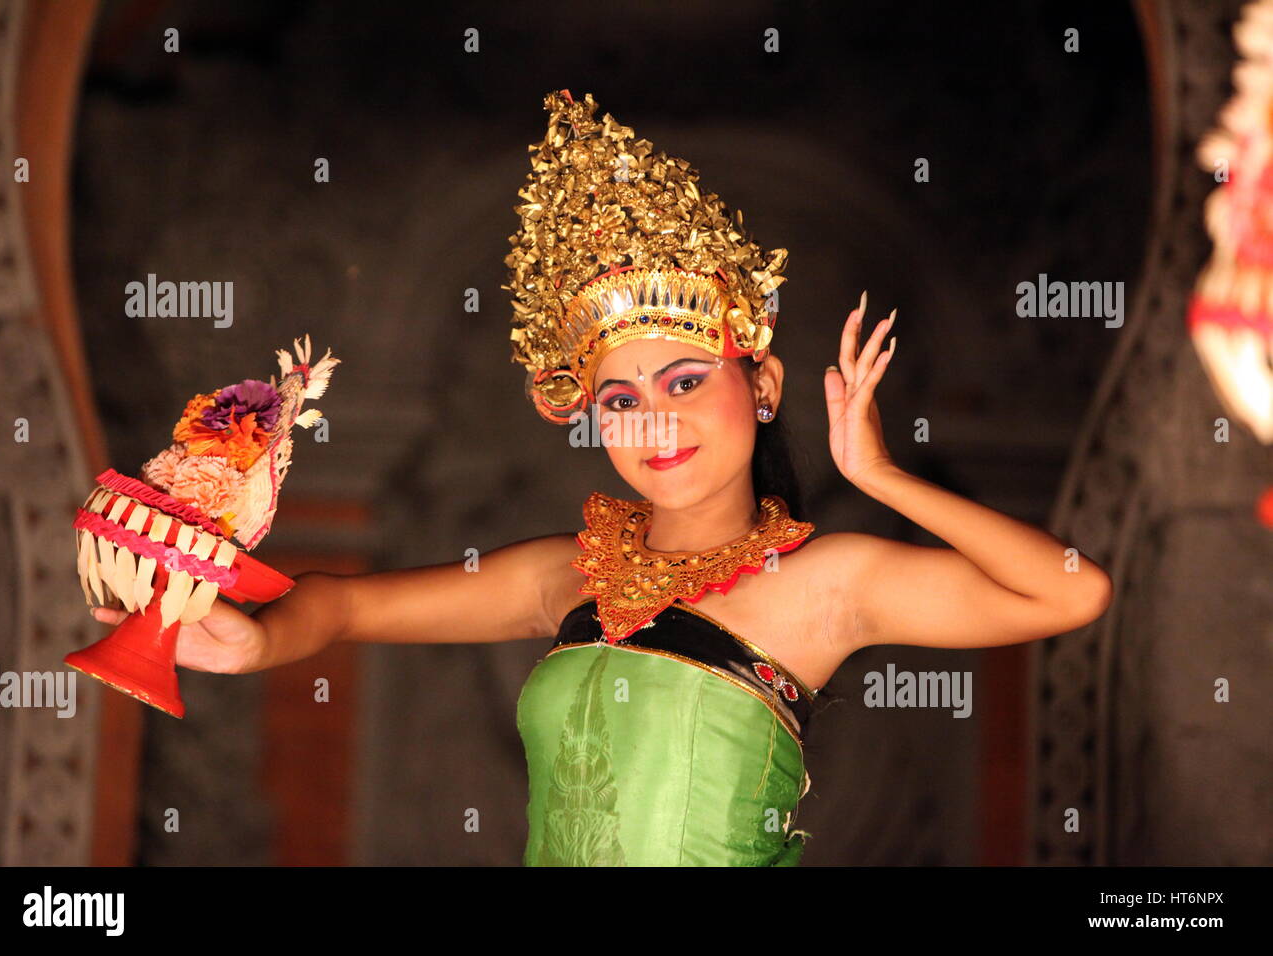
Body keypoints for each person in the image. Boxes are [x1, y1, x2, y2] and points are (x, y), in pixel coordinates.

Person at [92, 90, 1113, 866]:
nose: (652, 418)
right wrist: (257, 638)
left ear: (759, 383)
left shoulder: (828, 582)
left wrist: (879, 472)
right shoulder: (566, 576)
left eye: (681, 377)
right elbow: (347, 610)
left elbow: (1070, 587)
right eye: (619, 398)